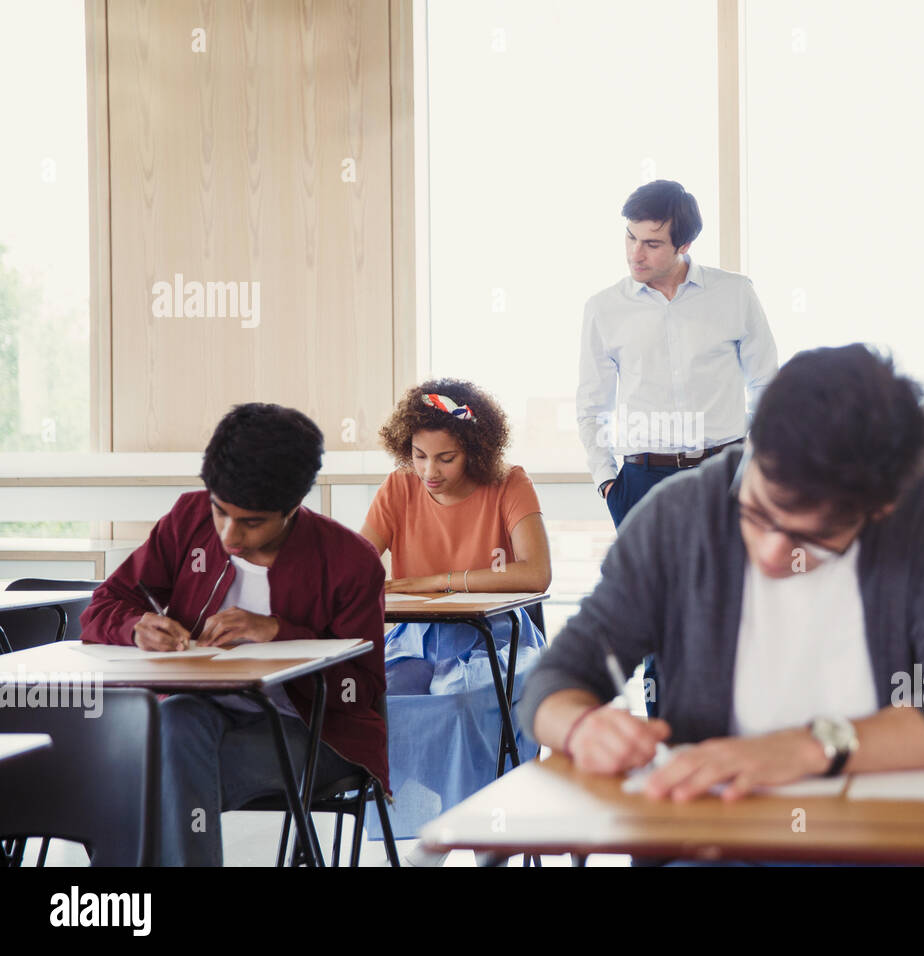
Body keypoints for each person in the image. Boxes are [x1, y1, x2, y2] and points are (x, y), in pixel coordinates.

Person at [523, 345, 924, 804]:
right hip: (714, 831)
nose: (771, 552)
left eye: (813, 537)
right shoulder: (679, 516)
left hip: (887, 827)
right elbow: (557, 679)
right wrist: (581, 726)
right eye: (759, 513)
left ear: (881, 506)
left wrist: (812, 747)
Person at [80, 403, 388, 866]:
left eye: (251, 522)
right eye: (220, 511)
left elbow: (358, 692)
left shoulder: (349, 560)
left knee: (145, 769)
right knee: (172, 727)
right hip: (193, 720)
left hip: (314, 735)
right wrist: (135, 626)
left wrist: (281, 634)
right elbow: (103, 607)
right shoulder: (188, 518)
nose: (228, 534)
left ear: (293, 508)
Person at [577, 179, 778, 714]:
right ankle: (667, 740)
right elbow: (592, 405)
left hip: (727, 474)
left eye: (651, 243)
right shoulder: (603, 309)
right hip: (641, 482)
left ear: (683, 245)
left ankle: (741, 737)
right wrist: (608, 481)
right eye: (629, 238)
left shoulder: (734, 294)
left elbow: (768, 387)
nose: (635, 254)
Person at [359, 379, 551, 832]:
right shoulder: (398, 487)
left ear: (475, 451)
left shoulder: (509, 483)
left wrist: (438, 582)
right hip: (414, 638)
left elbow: (536, 573)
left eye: (446, 458)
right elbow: (356, 567)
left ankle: (478, 832)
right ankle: (436, 833)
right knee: (384, 701)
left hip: (501, 637)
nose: (429, 472)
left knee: (461, 701)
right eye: (419, 455)